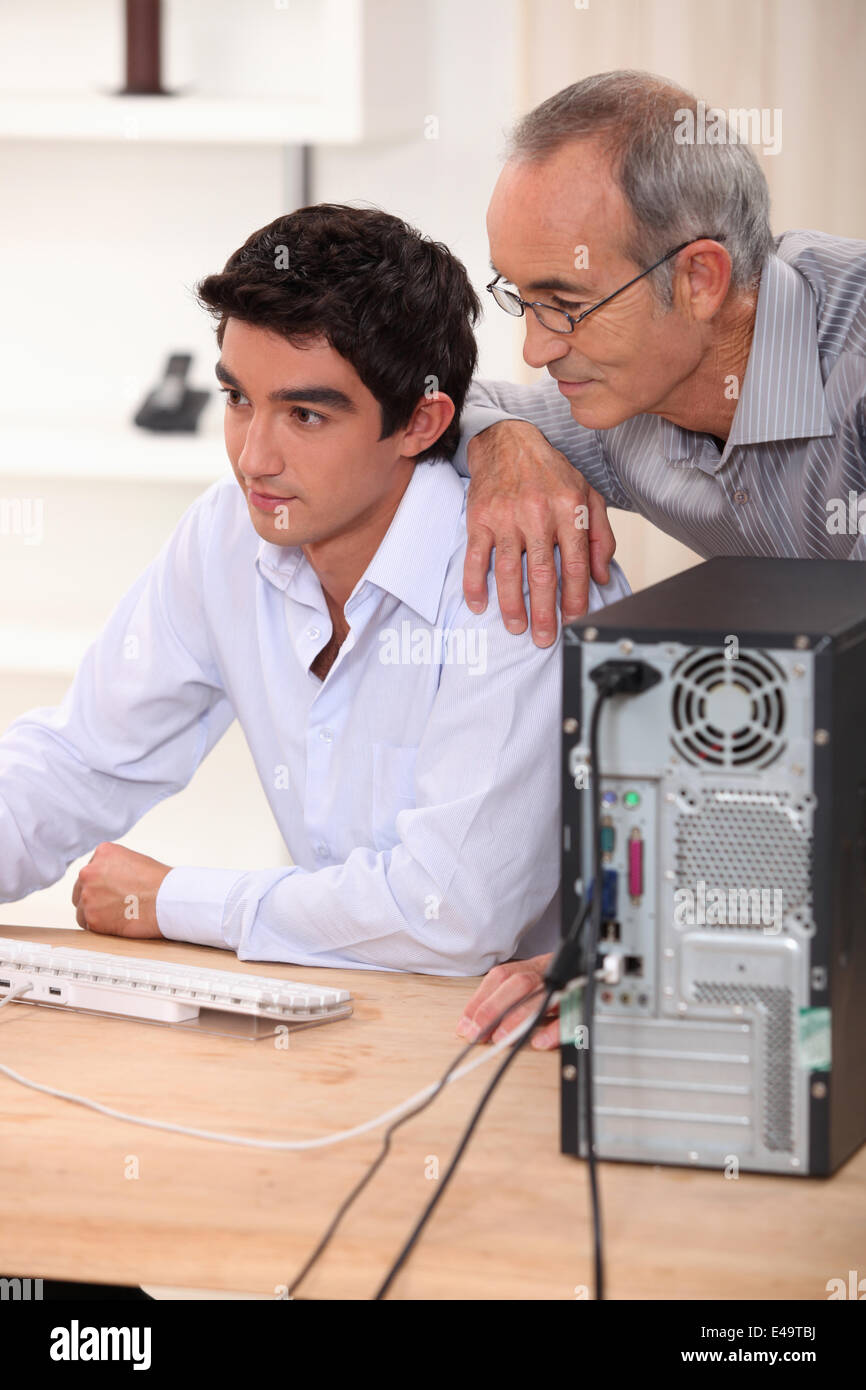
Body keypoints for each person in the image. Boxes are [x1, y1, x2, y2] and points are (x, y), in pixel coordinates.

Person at [0, 203, 629, 978]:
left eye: (303, 414)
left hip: (524, 1046)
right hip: (338, 1019)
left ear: (422, 422)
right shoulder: (228, 534)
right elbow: (79, 760)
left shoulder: (518, 567)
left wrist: (168, 899)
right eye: (238, 400)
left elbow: (450, 916)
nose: (253, 458)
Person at [453, 69, 866, 1046]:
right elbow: (443, 395)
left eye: (564, 301)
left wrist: (659, 936)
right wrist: (495, 442)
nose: (535, 349)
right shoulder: (620, 394)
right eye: (518, 296)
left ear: (700, 278)